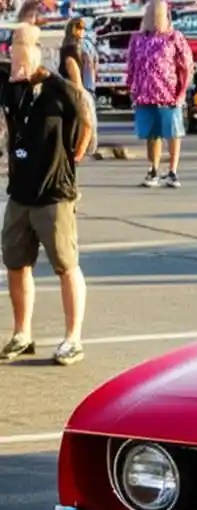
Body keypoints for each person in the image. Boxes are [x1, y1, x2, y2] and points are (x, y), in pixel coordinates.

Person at [0, 39, 92, 365]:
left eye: (22, 59)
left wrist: (74, 156)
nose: (16, 66)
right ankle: (22, 333)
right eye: (13, 58)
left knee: (65, 265)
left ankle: (73, 338)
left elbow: (87, 122)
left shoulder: (59, 89)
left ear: (37, 57)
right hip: (19, 194)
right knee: (15, 263)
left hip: (54, 193)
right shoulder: (9, 83)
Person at [126, 0, 193, 188]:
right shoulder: (138, 38)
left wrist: (181, 92)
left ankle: (172, 171)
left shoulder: (174, 37)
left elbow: (187, 65)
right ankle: (153, 169)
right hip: (146, 94)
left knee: (173, 132)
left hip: (169, 94)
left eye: (159, 13)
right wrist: (132, 87)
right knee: (152, 133)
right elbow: (131, 65)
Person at [59, 17, 97, 155]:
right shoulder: (72, 49)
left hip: (75, 89)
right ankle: (78, 153)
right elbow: (74, 71)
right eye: (80, 28)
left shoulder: (77, 47)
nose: (82, 31)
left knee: (79, 123)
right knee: (84, 123)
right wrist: (82, 92)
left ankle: (78, 151)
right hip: (76, 90)